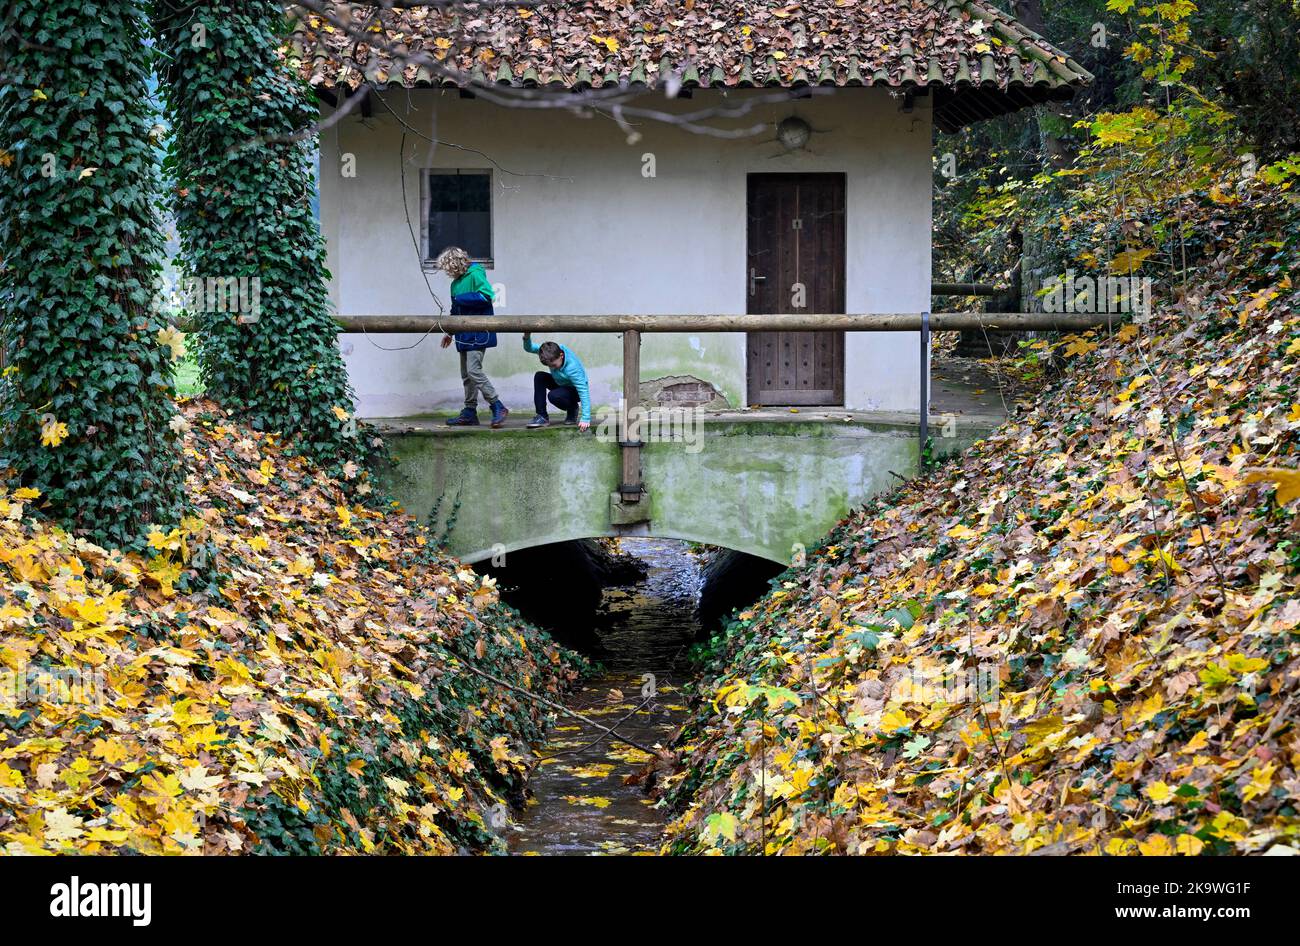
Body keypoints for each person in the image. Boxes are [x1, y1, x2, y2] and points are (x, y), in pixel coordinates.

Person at [435, 247, 508, 428]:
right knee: (466, 375)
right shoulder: (455, 284)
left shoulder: (476, 274)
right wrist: (450, 332)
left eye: (449, 268)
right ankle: (469, 412)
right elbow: (455, 310)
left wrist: (462, 299)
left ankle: (497, 405)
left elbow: (486, 296)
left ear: (456, 264)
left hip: (478, 331)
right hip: (462, 334)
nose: (448, 273)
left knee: (474, 371)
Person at [523, 332, 590, 430]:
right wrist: (527, 336)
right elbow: (529, 348)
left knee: (553, 396)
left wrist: (585, 418)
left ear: (561, 355)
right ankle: (542, 416)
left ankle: (572, 408)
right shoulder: (549, 352)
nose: (552, 368)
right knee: (539, 376)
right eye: (549, 366)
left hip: (574, 391)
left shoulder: (573, 368)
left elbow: (584, 392)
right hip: (560, 383)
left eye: (553, 365)